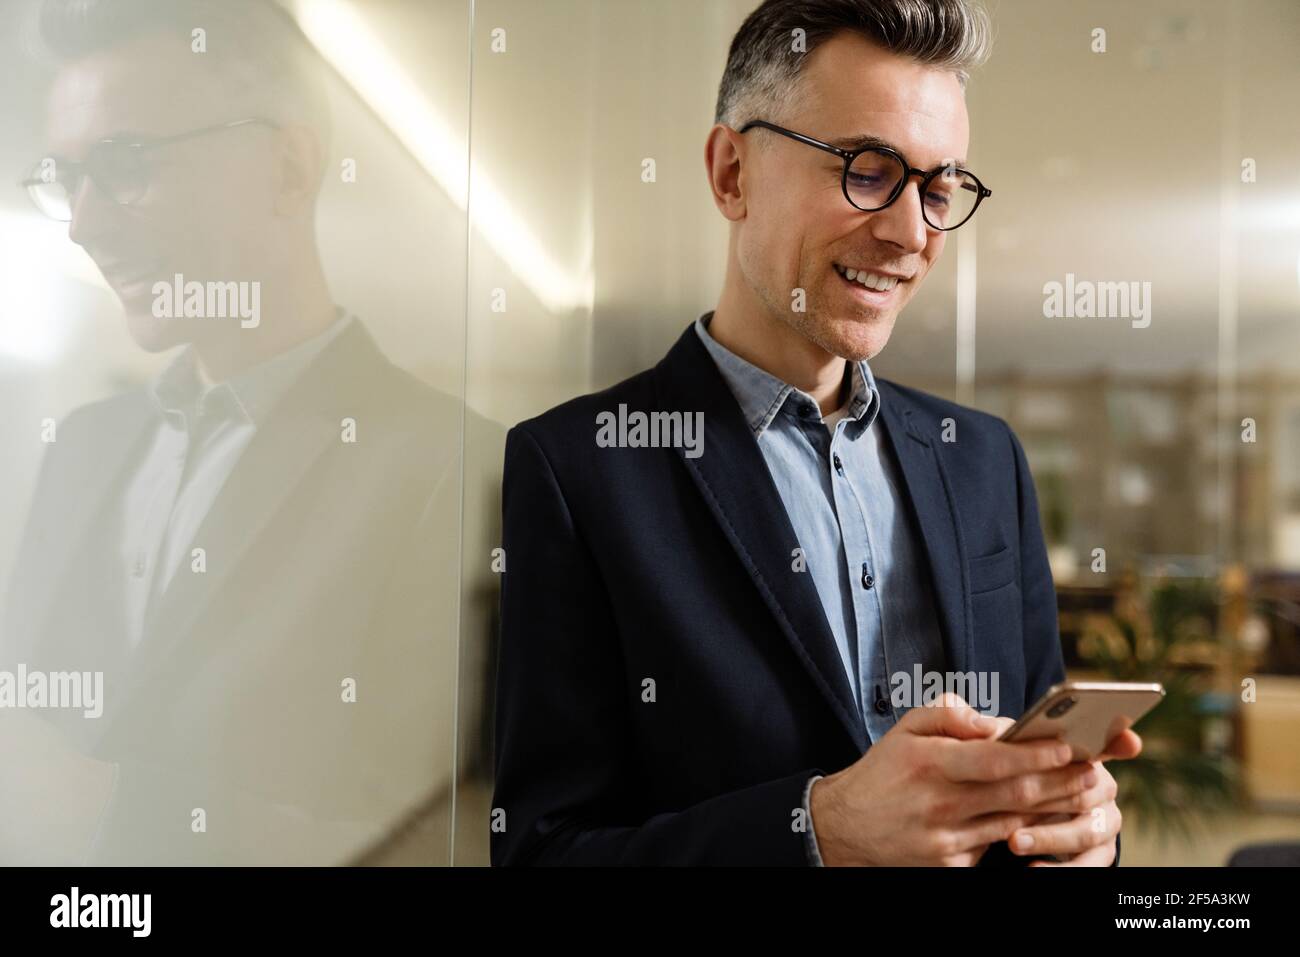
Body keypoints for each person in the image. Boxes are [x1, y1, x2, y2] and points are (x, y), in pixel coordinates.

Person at [492, 0, 1139, 866]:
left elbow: (1033, 773)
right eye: (867, 170)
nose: (911, 232)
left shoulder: (984, 459)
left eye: (939, 188)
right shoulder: (578, 469)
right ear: (732, 174)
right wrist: (818, 830)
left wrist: (1079, 836)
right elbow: (539, 852)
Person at [2, 0, 465, 864]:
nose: (85, 223)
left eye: (127, 162)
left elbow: (451, 835)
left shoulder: (456, 466)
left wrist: (110, 806)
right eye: (70, 177)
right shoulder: (85, 446)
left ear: (288, 170)